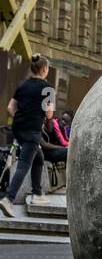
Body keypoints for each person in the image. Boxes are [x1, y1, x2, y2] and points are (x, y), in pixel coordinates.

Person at [0, 55, 55, 217]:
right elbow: (50, 114)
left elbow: (11, 107)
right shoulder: (48, 89)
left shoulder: (22, 84)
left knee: (38, 158)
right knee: (24, 164)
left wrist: (22, 115)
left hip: (18, 128)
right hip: (33, 130)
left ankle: (37, 193)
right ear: (44, 69)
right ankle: (8, 199)